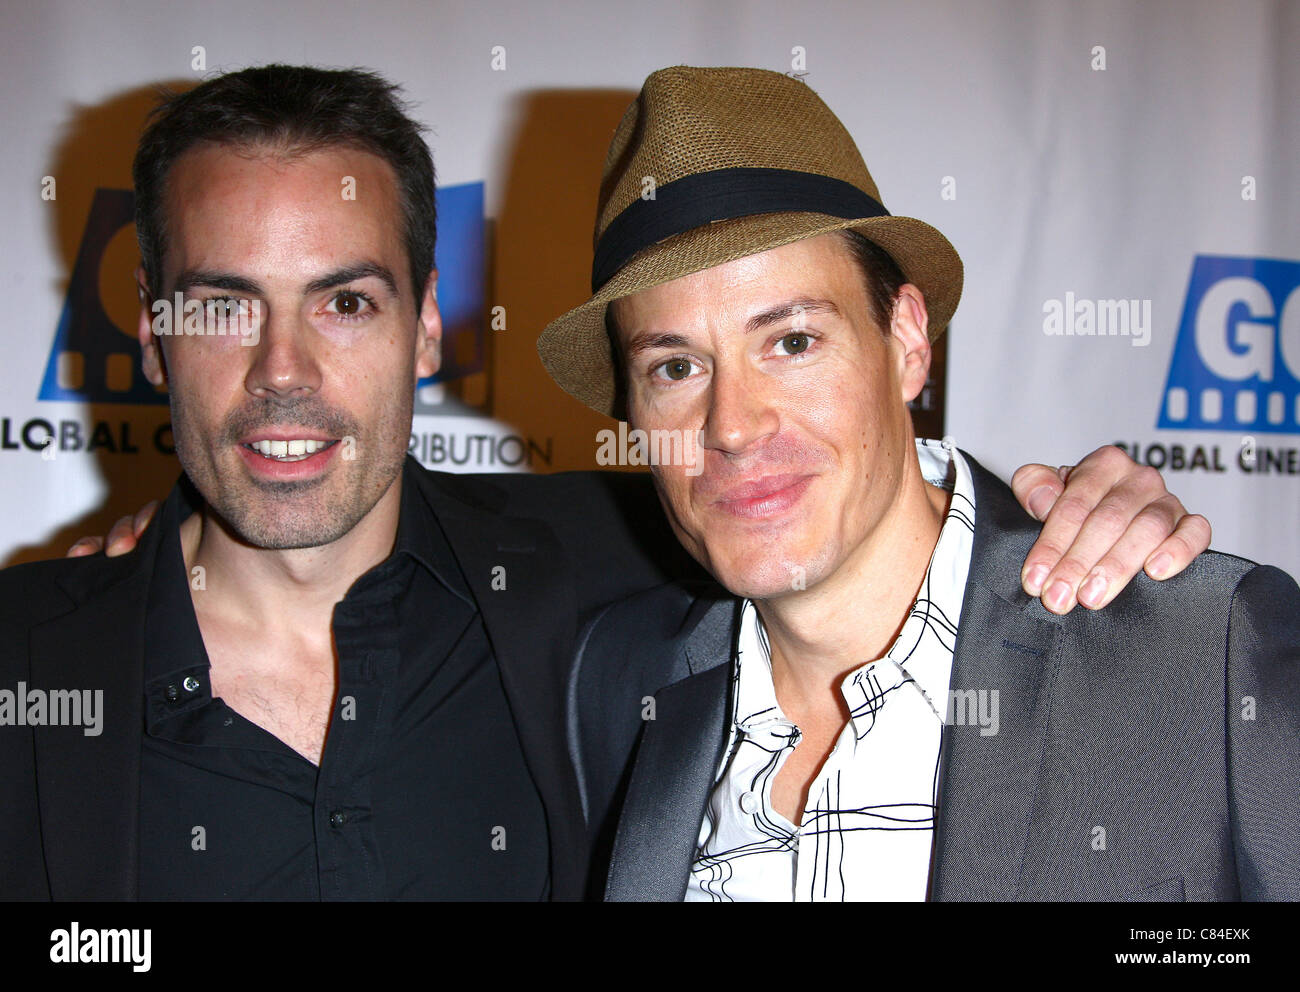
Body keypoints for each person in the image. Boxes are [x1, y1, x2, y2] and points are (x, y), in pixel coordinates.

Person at [12, 64, 1208, 902]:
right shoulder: (34, 665)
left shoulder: (607, 582)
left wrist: (1074, 516)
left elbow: (841, 514)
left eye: (344, 300)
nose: (284, 373)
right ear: (153, 336)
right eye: (225, 306)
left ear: (428, 326)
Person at [548, 66, 1300, 901]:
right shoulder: (617, 686)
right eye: (677, 366)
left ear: (907, 341)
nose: (731, 425)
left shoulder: (1205, 652)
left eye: (792, 342)